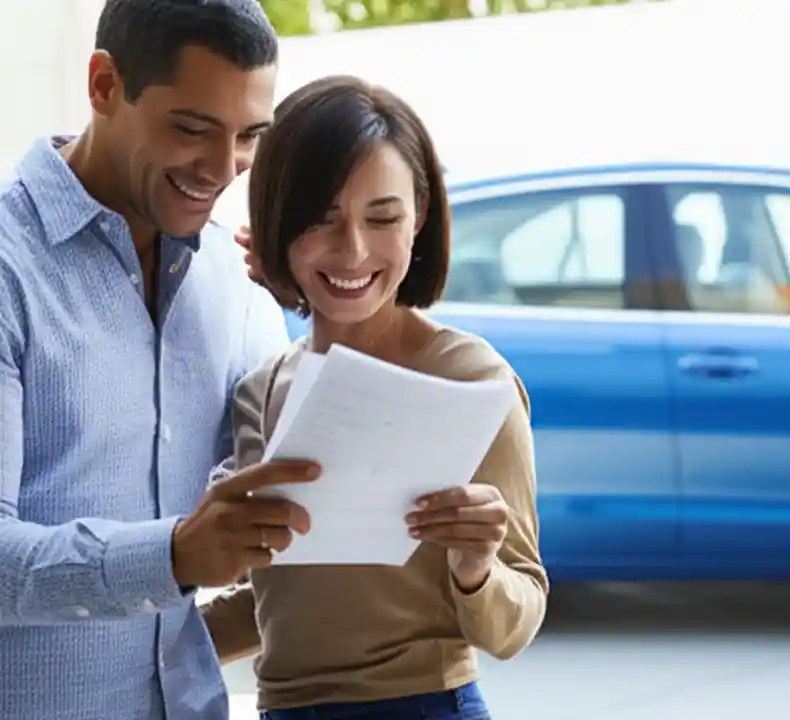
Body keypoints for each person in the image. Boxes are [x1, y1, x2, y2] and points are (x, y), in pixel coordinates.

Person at [0, 2, 320, 719]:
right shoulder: (7, 272)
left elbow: (292, 496)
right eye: (192, 129)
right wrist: (171, 557)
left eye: (247, 137)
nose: (222, 169)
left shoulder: (236, 287)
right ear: (105, 85)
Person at [200, 76, 548, 720]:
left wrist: (475, 566)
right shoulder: (261, 391)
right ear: (278, 224)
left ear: (419, 220)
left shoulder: (471, 379)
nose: (353, 250)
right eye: (320, 220)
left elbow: (515, 623)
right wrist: (115, 646)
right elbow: (282, 601)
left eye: (382, 217)